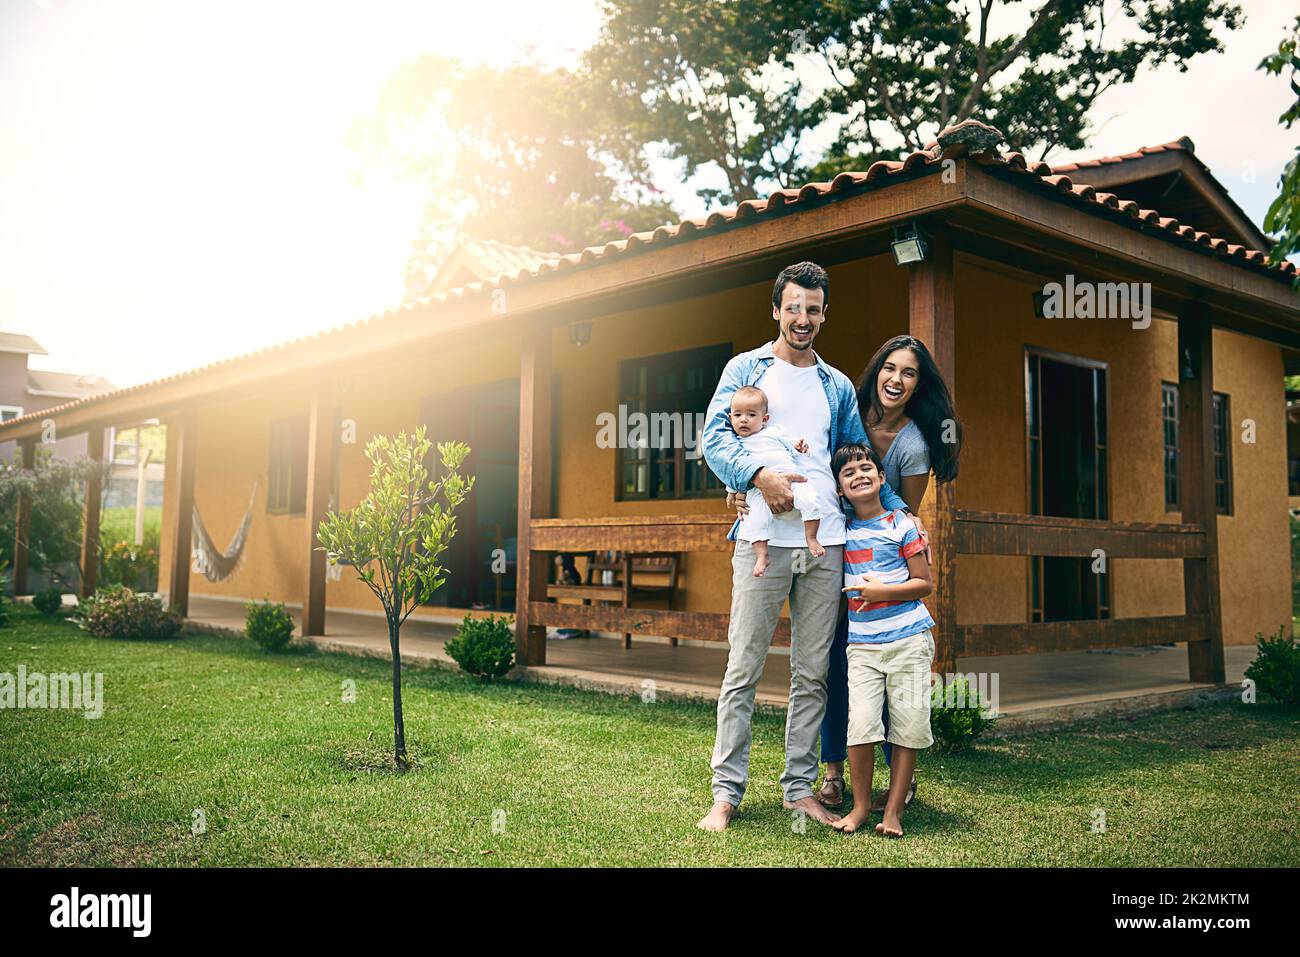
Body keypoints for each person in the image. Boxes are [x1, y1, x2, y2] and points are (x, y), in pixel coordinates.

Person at [695, 261, 922, 833]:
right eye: (793, 307)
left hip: (826, 547)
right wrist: (754, 478)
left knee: (812, 674)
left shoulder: (837, 385)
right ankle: (726, 794)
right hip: (762, 542)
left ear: (824, 314)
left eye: (813, 309)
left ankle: (799, 789)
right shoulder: (745, 369)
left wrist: (900, 513)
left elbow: (851, 457)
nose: (803, 318)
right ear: (776, 310)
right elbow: (715, 437)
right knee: (743, 666)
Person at [816, 334, 962, 812]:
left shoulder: (914, 444)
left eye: (909, 373)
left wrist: (884, 582)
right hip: (836, 552)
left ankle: (898, 780)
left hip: (880, 571)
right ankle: (833, 773)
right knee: (834, 663)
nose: (896, 380)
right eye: (890, 369)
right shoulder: (849, 414)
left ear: (919, 386)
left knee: (877, 668)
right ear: (876, 370)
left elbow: (905, 511)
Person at [828, 443, 935, 838]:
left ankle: (892, 811)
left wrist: (881, 592)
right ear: (839, 489)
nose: (859, 475)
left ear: (882, 477)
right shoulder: (841, 530)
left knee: (907, 725)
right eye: (848, 472)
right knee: (861, 724)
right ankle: (858, 807)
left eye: (866, 467)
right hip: (863, 646)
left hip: (908, 639)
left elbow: (924, 583)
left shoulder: (903, 525)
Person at [727, 385, 823, 577]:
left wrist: (797, 445)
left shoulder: (774, 432)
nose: (744, 419)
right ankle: (762, 555)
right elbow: (734, 469)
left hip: (793, 478)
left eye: (751, 415)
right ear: (731, 418)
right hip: (758, 491)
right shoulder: (735, 444)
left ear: (765, 419)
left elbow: (790, 442)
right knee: (754, 519)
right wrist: (731, 490)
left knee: (810, 499)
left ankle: (811, 537)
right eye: (738, 415)